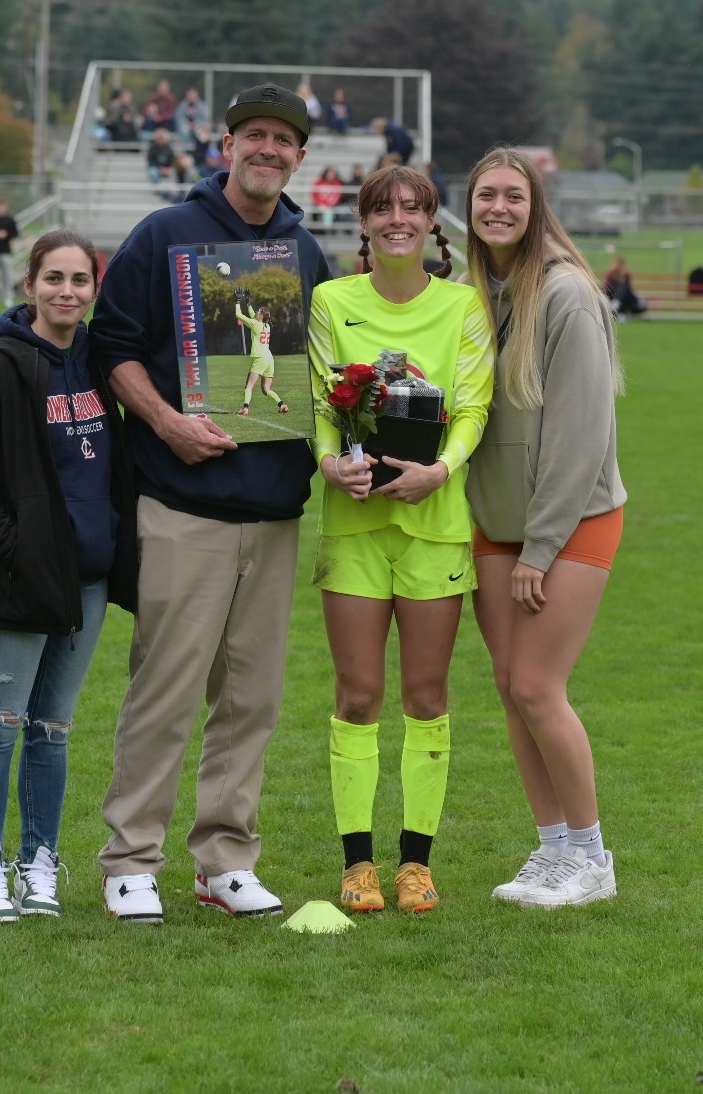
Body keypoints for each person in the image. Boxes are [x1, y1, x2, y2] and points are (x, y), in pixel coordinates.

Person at [89, 83, 331, 923]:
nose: (268, 149)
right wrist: (166, 421)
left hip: (273, 512)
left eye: (284, 140)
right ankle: (130, 859)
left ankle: (224, 859)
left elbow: (320, 376)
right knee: (165, 687)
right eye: (254, 135)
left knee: (251, 697)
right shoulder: (164, 234)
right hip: (183, 503)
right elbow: (111, 347)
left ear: (300, 157)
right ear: (225, 144)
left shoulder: (305, 252)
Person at [0, 230, 140, 922]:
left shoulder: (98, 361)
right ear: (30, 286)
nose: (67, 292)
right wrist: (13, 546)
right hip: (18, 582)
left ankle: (39, 862)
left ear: (93, 289)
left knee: (52, 727)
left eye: (80, 280)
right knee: (0, 724)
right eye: (53, 278)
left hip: (85, 581)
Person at [306, 163, 492, 916]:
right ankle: (359, 866)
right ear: (363, 222)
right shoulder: (330, 301)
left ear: (431, 223)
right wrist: (328, 462)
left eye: (412, 209)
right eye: (383, 209)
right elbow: (322, 405)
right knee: (358, 694)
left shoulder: (464, 306)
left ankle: (416, 864)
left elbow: (473, 408)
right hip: (353, 525)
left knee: (424, 694)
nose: (397, 221)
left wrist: (440, 472)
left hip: (434, 527)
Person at [465, 145, 626, 909]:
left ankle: (593, 860)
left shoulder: (566, 294)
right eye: (485, 195)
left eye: (513, 196)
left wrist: (541, 545)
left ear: (536, 210)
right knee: (508, 686)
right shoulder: (477, 292)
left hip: (570, 522)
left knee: (537, 685)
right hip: (495, 522)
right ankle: (553, 848)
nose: (498, 207)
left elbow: (580, 433)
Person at [234, 298, 291, 416]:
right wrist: (248, 303)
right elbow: (253, 316)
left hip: (260, 358)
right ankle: (282, 405)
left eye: (258, 311)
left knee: (249, 385)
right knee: (266, 389)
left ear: (260, 316)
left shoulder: (255, 324)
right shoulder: (266, 325)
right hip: (269, 358)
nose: (256, 312)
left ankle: (245, 408)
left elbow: (238, 314)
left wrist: (238, 301)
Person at [145, 127, 180, 197]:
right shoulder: (152, 148)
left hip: (167, 168)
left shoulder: (169, 148)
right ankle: (158, 190)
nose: (161, 139)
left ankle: (174, 191)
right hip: (156, 168)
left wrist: (168, 168)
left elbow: (172, 160)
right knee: (153, 172)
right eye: (159, 137)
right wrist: (160, 168)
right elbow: (150, 161)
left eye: (162, 137)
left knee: (174, 172)